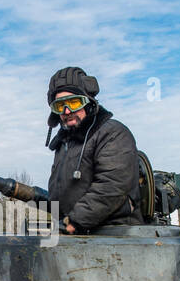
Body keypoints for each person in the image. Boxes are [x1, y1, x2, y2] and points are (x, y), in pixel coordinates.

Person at [45, 66, 142, 234]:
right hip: (79, 235)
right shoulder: (65, 143)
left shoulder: (112, 133)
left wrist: (73, 223)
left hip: (115, 235)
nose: (67, 111)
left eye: (74, 102)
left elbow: (112, 186)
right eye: (60, 106)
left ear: (88, 102)